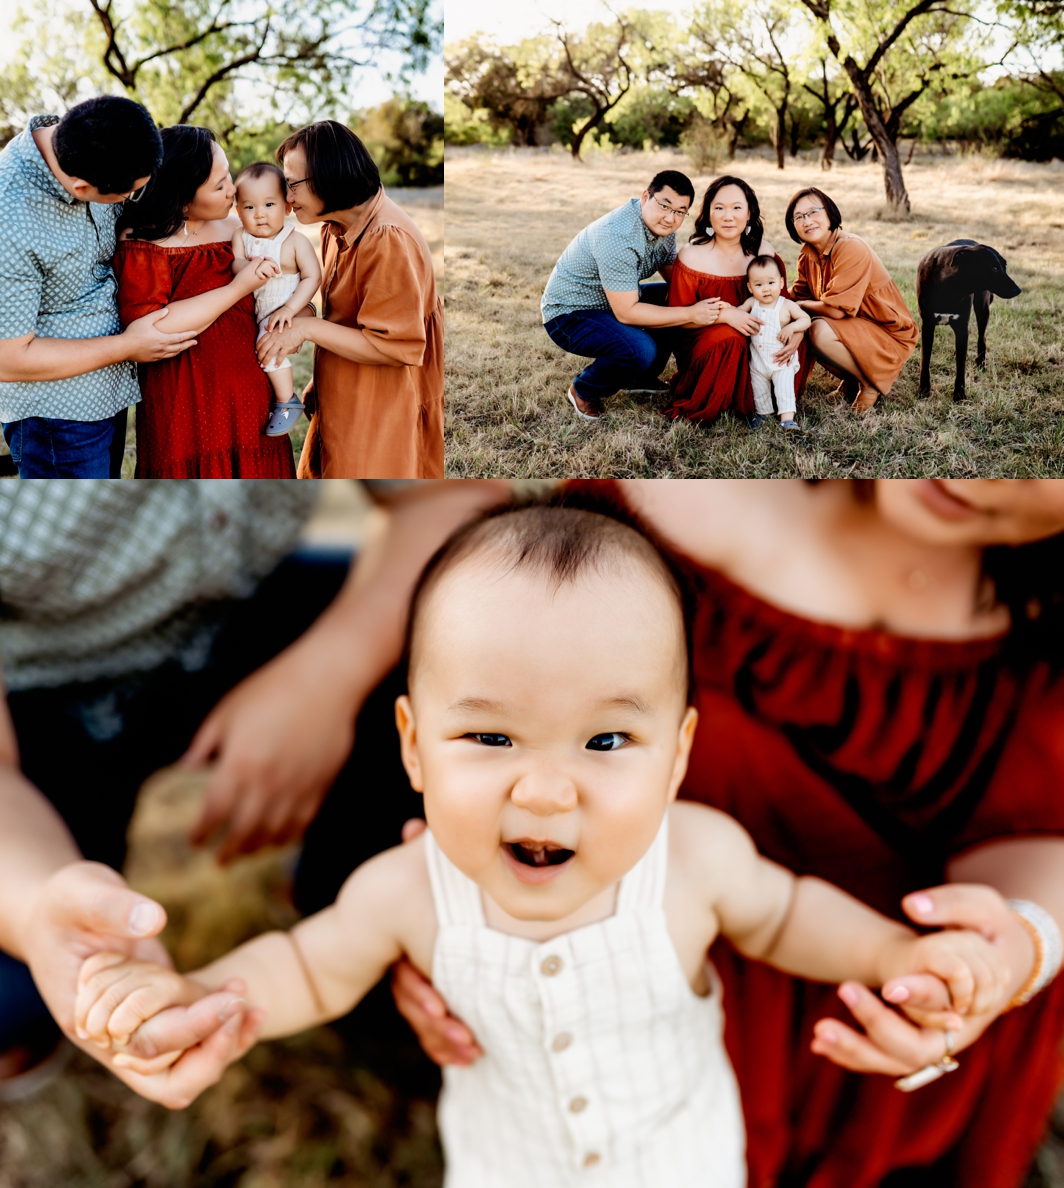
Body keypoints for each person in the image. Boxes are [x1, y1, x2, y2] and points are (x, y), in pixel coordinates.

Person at [72, 505, 1013, 1188]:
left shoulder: (693, 860)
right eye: (490, 738)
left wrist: (895, 952)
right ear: (412, 747)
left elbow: (790, 916)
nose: (547, 789)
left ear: (677, 754)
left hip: (686, 1167)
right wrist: (205, 998)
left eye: (607, 743)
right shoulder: (408, 889)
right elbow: (307, 968)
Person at [390, 479, 1064, 1188]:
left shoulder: (1043, 635)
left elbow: (1038, 825)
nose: (975, 475)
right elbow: (483, 702)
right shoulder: (660, 509)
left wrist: (1013, 947)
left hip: (873, 1042)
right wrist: (456, 914)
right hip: (631, 1000)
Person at [0, 479, 508, 1104]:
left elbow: (448, 499)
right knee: (10, 995)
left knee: (470, 618)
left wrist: (326, 679)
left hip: (247, 610)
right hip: (32, 692)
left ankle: (374, 927)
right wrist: (35, 907)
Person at [0, 96, 200, 478]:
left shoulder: (102, 140)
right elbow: (8, 358)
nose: (131, 200)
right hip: (57, 417)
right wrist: (128, 346)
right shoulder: (11, 216)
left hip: (108, 391)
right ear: (81, 187)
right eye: (129, 194)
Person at [114, 125, 306, 477]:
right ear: (183, 199)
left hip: (250, 393)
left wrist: (298, 314)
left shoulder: (241, 228)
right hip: (182, 402)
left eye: (228, 176)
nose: (234, 190)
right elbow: (153, 328)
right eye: (220, 186)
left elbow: (288, 277)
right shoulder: (143, 242)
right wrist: (237, 288)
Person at [254, 120, 444, 479]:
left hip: (382, 397)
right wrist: (320, 378)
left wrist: (306, 328)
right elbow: (347, 319)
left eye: (291, 185)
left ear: (329, 176)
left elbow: (395, 348)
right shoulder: (335, 228)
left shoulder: (387, 239)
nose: (286, 200)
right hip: (347, 383)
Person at [541, 170, 723, 421]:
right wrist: (690, 313)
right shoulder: (619, 236)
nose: (671, 218)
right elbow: (627, 312)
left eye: (680, 211)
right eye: (665, 206)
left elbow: (677, 280)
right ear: (645, 196)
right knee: (639, 349)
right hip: (569, 313)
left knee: (675, 297)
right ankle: (584, 389)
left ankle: (639, 378)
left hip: (610, 301)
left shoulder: (663, 227)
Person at [662, 175, 813, 427]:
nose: (727, 216)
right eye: (719, 208)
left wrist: (796, 334)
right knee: (730, 338)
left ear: (749, 212)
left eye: (736, 208)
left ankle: (775, 399)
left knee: (799, 334)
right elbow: (679, 320)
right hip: (708, 340)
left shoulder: (764, 253)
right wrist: (726, 316)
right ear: (708, 214)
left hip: (762, 337)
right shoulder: (691, 255)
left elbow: (783, 305)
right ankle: (730, 397)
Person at [787, 186, 918, 413]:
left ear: (829, 213)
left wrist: (799, 307)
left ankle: (868, 384)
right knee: (801, 324)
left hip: (888, 334)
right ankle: (853, 379)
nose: (807, 221)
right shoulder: (807, 254)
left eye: (813, 212)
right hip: (858, 327)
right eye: (799, 217)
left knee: (817, 329)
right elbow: (797, 294)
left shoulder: (850, 246)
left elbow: (837, 311)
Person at [231, 162, 322, 437]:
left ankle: (287, 401)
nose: (260, 215)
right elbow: (235, 263)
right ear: (238, 211)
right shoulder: (240, 236)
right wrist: (249, 268)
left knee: (267, 346)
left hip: (283, 309)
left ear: (287, 207)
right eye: (249, 207)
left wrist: (291, 309)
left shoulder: (295, 241)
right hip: (256, 310)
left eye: (269, 205)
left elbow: (312, 277)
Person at [737, 255, 810, 430]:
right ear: (750, 287)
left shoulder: (786, 305)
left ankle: (787, 419)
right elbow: (737, 313)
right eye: (759, 285)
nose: (766, 289)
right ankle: (764, 415)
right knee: (759, 388)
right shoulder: (751, 303)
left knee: (784, 388)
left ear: (781, 282)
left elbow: (805, 319)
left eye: (771, 283)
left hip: (781, 360)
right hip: (758, 360)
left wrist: (791, 328)